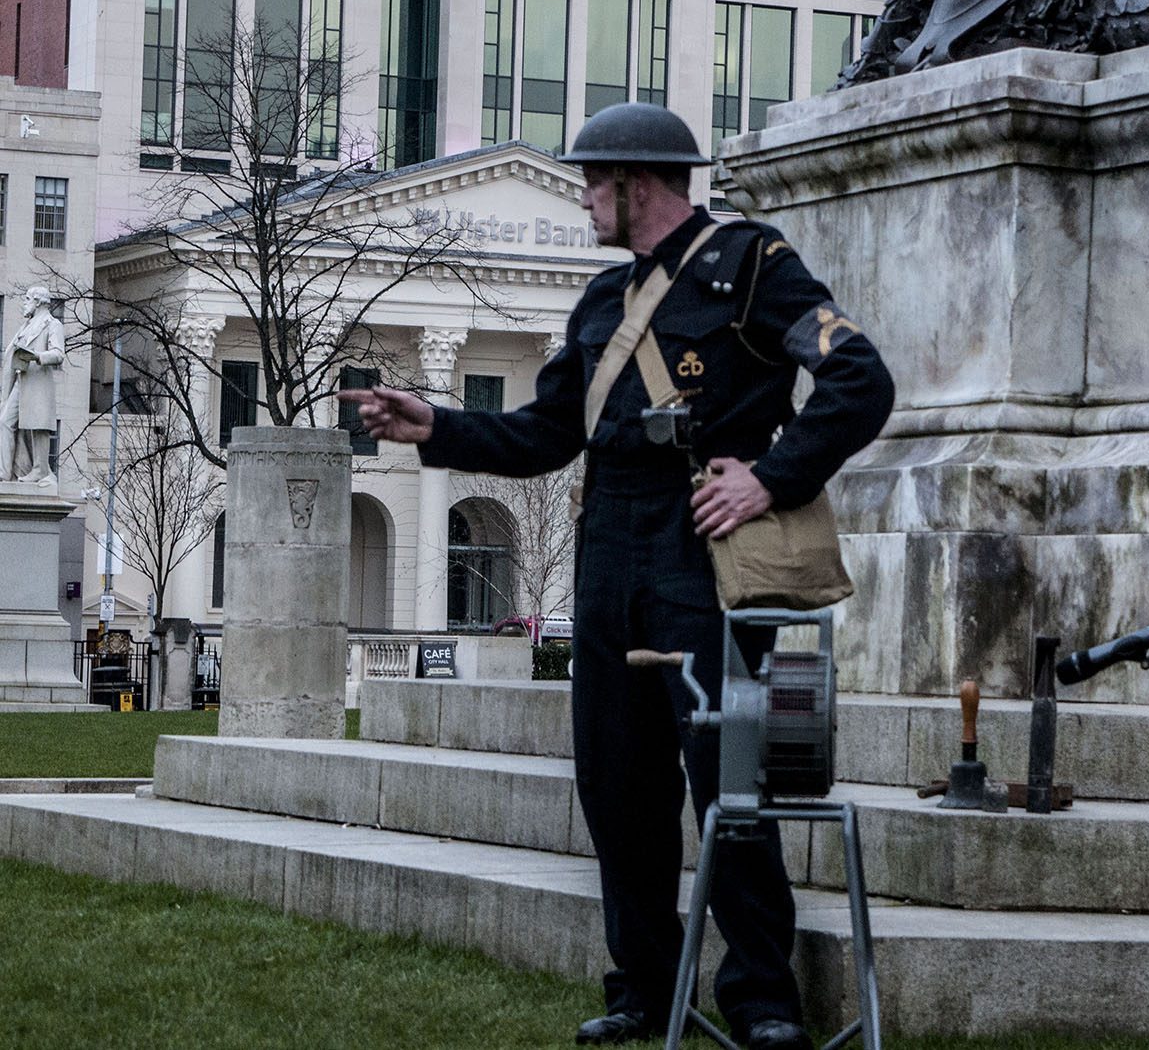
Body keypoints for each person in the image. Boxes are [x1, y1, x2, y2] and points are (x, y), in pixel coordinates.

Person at [339, 104, 894, 1049]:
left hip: (703, 548)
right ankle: (646, 985)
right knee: (616, 783)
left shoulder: (754, 264)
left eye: (595, 178)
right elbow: (551, 433)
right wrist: (436, 423)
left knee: (730, 780)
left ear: (639, 181)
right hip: (609, 553)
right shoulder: (602, 303)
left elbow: (859, 379)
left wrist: (769, 476)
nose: (585, 194)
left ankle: (761, 998)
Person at [0, 284, 65, 485]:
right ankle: (4, 472)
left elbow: (58, 354)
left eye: (27, 299)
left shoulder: (52, 324)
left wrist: (36, 356)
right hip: (21, 380)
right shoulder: (26, 326)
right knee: (5, 422)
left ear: (38, 302)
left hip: (37, 382)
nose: (24, 304)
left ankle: (40, 470)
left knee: (38, 426)